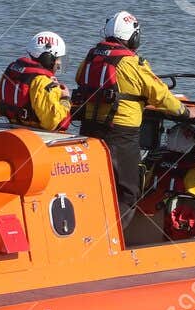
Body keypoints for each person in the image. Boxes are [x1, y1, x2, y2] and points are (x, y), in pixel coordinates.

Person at [74, 11, 187, 214]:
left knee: (93, 186)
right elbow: (160, 94)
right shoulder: (133, 63)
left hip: (89, 129)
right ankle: (116, 239)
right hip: (121, 135)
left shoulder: (91, 57)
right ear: (134, 38)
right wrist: (184, 112)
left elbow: (79, 77)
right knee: (128, 192)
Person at [140, 119, 195, 240]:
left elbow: (145, 187)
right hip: (173, 229)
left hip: (148, 223)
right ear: (194, 145)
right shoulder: (194, 172)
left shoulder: (155, 165)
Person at [0, 31, 72, 132]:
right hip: (37, 138)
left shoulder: (12, 74)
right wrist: (65, 99)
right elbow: (52, 123)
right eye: (58, 59)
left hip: (14, 130)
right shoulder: (44, 83)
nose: (59, 64)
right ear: (49, 58)